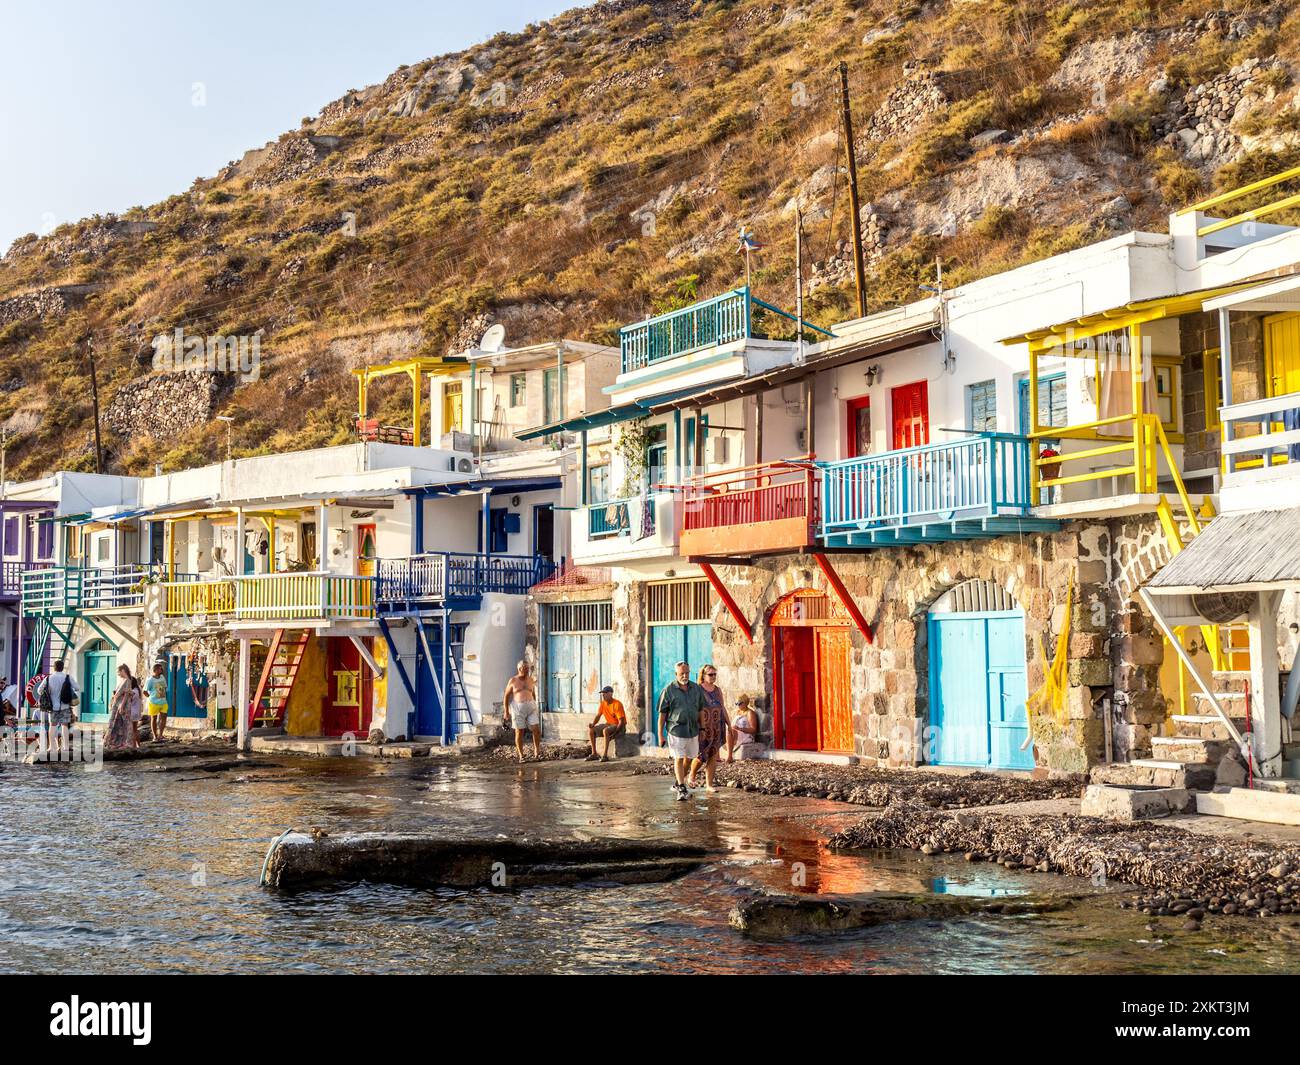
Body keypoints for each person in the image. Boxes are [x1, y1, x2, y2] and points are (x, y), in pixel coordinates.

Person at [657, 660, 705, 801]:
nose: (685, 676)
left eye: (687, 673)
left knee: (690, 758)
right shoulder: (668, 690)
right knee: (678, 758)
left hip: (693, 730)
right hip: (676, 730)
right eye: (681, 673)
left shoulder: (696, 689)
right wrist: (660, 735)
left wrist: (702, 727)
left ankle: (678, 783)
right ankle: (682, 789)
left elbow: (701, 709)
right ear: (675, 674)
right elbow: (662, 715)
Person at [689, 664, 729, 791]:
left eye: (714, 674)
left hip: (717, 726)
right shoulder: (698, 689)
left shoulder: (717, 690)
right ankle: (692, 774)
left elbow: (722, 707)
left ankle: (709, 785)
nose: (713, 677)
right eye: (710, 674)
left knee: (713, 754)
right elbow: (694, 708)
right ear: (703, 675)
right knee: (701, 755)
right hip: (703, 727)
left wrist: (729, 724)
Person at [36, 659, 79, 758]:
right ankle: (66, 747)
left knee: (53, 726)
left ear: (53, 668)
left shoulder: (48, 678)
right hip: (65, 706)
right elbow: (77, 687)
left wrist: (49, 692)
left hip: (53, 706)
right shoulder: (67, 677)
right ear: (62, 667)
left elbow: (39, 690)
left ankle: (52, 747)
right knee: (64, 726)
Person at [502, 660, 541, 763]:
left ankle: (537, 752)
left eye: (528, 669)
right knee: (519, 731)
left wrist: (534, 703)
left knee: (536, 729)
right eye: (525, 669)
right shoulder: (513, 680)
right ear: (519, 669)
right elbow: (506, 696)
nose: (527, 670)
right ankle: (521, 755)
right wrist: (506, 711)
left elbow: (532, 693)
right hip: (518, 708)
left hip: (531, 707)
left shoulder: (530, 680)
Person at [585, 685, 626, 762]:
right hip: (609, 724)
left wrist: (615, 733)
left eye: (605, 693)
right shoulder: (603, 704)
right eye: (602, 693)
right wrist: (593, 724)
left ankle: (605, 755)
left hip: (618, 726)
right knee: (592, 730)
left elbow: (621, 721)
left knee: (605, 730)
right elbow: (598, 715)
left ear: (610, 694)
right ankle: (594, 754)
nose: (603, 695)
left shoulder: (617, 704)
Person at [726, 693, 761, 762]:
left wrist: (739, 729)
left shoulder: (750, 713)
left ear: (745, 702)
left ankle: (729, 756)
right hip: (738, 733)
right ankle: (715, 756)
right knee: (721, 729)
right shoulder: (738, 712)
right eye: (736, 703)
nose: (737, 705)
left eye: (739, 703)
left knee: (730, 732)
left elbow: (753, 729)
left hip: (747, 735)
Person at [144, 662, 169, 741]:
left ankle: (161, 735)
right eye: (160, 668)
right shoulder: (150, 680)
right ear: (156, 670)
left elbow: (164, 687)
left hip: (163, 701)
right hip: (153, 702)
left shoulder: (162, 677)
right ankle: (155, 736)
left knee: (164, 718)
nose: (162, 670)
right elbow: (144, 691)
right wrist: (150, 697)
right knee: (154, 719)